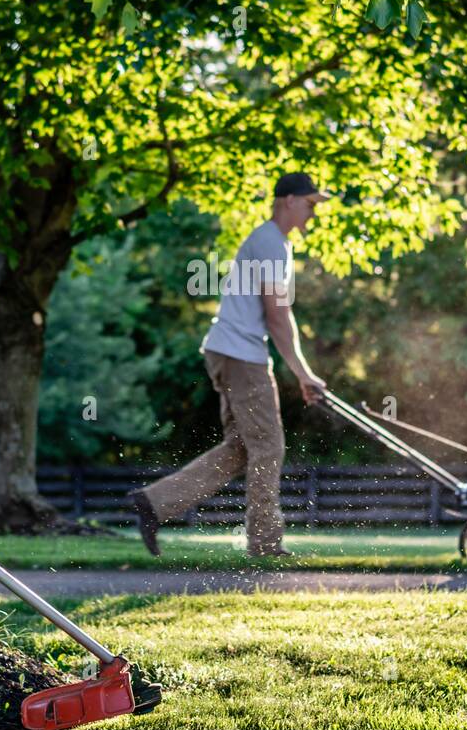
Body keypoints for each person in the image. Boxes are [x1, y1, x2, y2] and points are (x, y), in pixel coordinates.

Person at [128, 172, 330, 557]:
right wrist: (303, 373)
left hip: (230, 352)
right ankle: (265, 544)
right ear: (289, 200)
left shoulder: (269, 242)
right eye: (310, 204)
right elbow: (277, 315)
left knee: (242, 448)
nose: (313, 214)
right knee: (268, 446)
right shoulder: (272, 243)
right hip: (242, 356)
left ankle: (153, 503)